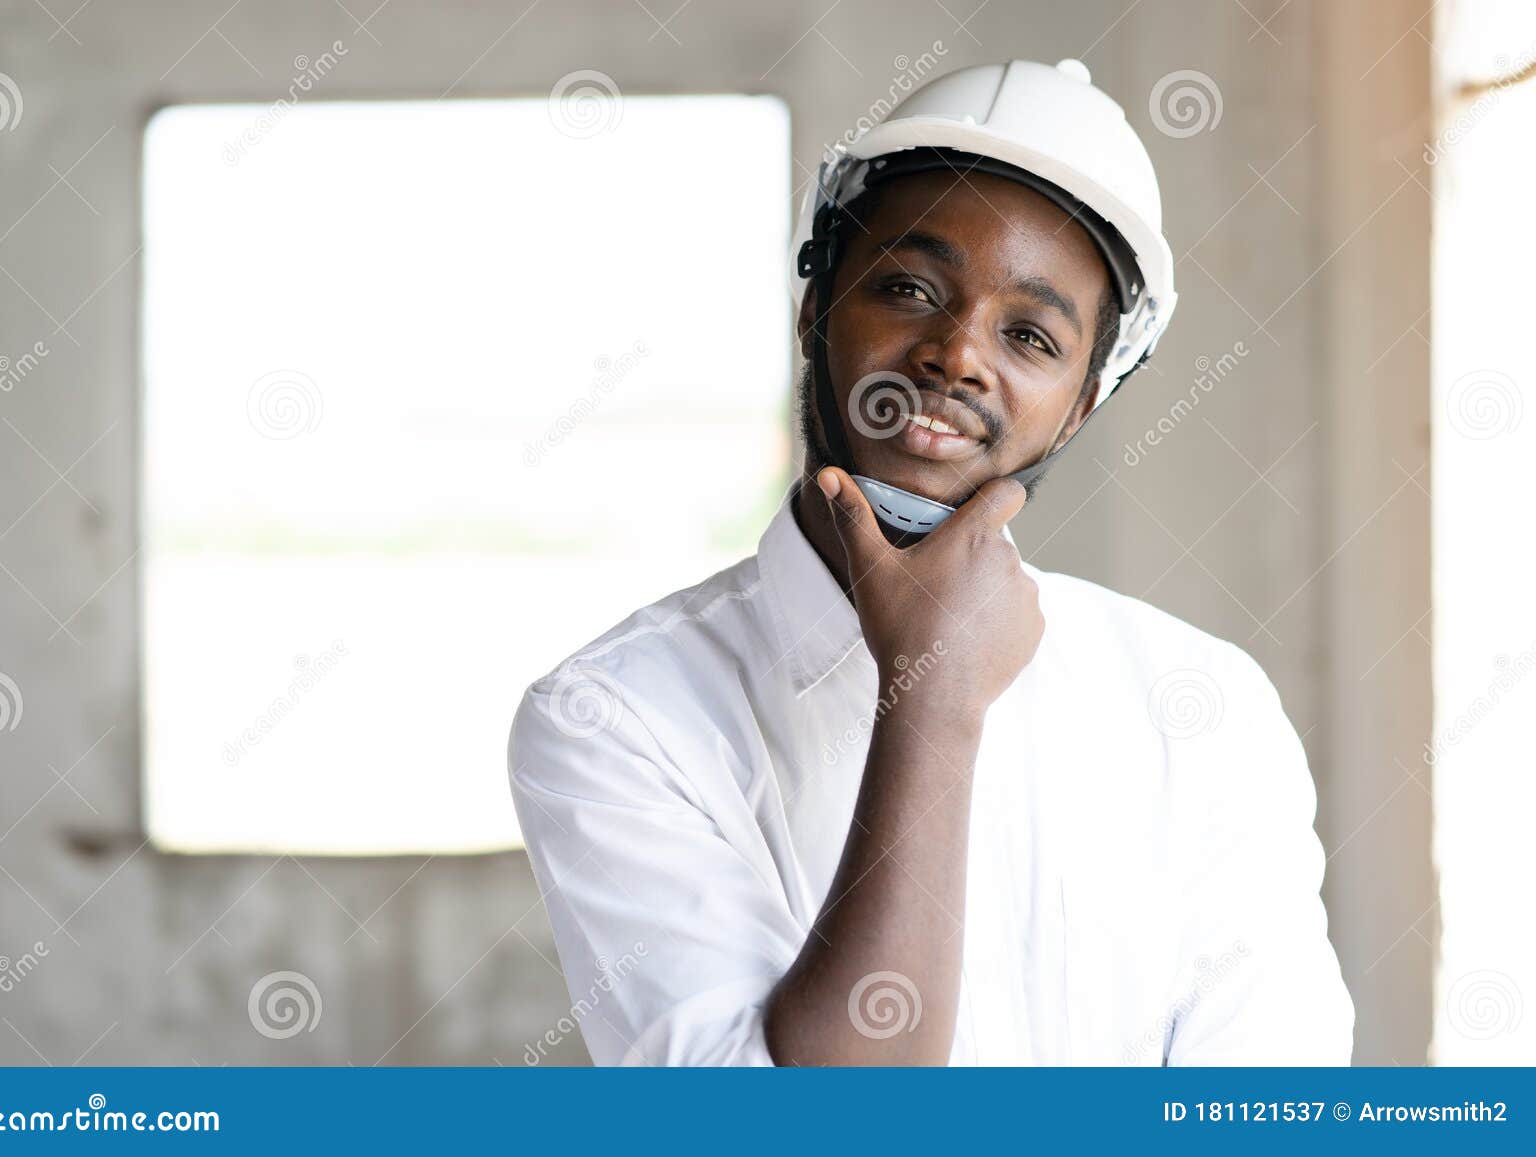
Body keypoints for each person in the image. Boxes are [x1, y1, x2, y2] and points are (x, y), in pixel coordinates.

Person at [508, 59, 1354, 1065]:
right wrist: (932, 699)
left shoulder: (1202, 702)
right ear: (814, 305)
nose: (957, 355)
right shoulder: (618, 712)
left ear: (1081, 401)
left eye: (1031, 335)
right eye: (908, 287)